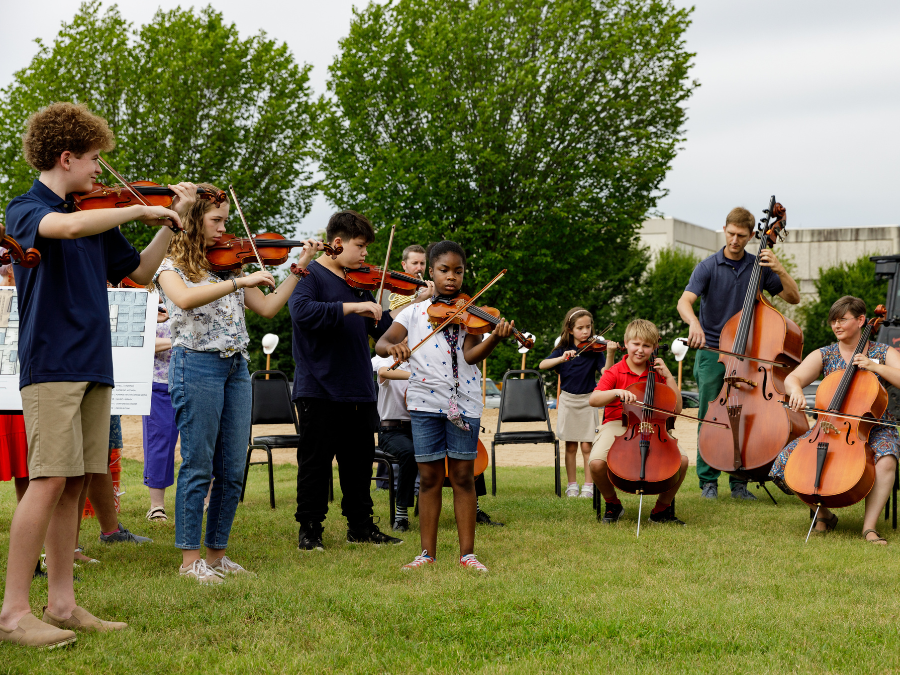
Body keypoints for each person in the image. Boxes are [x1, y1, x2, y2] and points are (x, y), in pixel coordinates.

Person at [0, 102, 181, 648]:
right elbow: (70, 226)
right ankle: (12, 613)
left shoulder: (96, 213)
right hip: (52, 362)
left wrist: (172, 221)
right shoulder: (27, 208)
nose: (100, 170)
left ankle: (62, 603)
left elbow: (140, 271)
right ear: (67, 157)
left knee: (75, 481)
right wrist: (138, 209)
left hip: (93, 361)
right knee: (48, 479)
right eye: (95, 159)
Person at [156, 182, 318, 583]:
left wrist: (299, 266)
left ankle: (216, 556)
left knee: (231, 469)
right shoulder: (170, 267)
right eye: (216, 220)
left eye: (226, 221)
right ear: (193, 220)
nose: (224, 229)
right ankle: (189, 561)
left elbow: (269, 307)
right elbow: (185, 299)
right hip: (195, 365)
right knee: (198, 465)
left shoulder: (229, 267)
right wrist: (239, 283)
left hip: (235, 368)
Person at [376, 240, 513, 572]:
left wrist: (495, 337)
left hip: (464, 403)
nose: (451, 277)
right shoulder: (413, 312)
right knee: (429, 476)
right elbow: (382, 343)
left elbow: (470, 355)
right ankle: (426, 554)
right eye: (444, 270)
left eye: (458, 271)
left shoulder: (471, 313)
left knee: (464, 476)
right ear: (431, 272)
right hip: (424, 402)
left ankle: (468, 555)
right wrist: (393, 349)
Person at [290, 210, 403, 551]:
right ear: (337, 243)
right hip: (318, 387)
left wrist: (414, 305)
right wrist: (352, 308)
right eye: (360, 246)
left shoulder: (361, 285)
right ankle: (310, 529)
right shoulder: (310, 275)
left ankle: (361, 526)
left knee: (359, 464)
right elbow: (301, 312)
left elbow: (384, 331)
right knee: (315, 464)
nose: (365, 254)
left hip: (359, 388)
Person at [676, 206, 800, 501]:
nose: (734, 240)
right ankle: (708, 481)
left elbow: (793, 298)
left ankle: (740, 481)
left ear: (752, 235)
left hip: (751, 355)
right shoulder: (708, 266)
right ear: (724, 229)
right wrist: (694, 322)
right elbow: (684, 301)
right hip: (714, 352)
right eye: (731, 234)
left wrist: (779, 268)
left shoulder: (759, 267)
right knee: (711, 416)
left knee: (746, 415)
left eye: (741, 236)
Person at [772, 296, 900, 544]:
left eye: (842, 320)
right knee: (786, 463)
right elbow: (792, 379)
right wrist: (796, 391)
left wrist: (876, 367)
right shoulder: (826, 354)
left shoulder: (883, 352)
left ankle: (869, 528)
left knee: (886, 459)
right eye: (833, 321)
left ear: (861, 320)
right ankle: (824, 515)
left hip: (876, 427)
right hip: (830, 428)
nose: (836, 325)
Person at [588, 319, 689, 525]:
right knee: (597, 463)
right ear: (626, 343)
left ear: (654, 347)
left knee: (682, 461)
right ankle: (613, 504)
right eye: (636, 344)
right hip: (617, 424)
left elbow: (676, 409)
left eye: (646, 345)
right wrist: (616, 392)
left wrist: (669, 376)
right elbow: (594, 399)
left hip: (654, 425)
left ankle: (661, 510)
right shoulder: (615, 371)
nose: (640, 350)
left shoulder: (658, 373)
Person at [539, 307, 617, 498]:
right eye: (580, 328)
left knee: (587, 446)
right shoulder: (562, 350)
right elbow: (542, 365)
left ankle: (589, 486)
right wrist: (561, 358)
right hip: (568, 401)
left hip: (588, 401)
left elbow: (606, 374)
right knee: (571, 446)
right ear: (570, 329)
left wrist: (610, 354)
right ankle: (572, 485)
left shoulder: (595, 351)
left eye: (588, 327)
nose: (585, 331)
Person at [372, 349, 418, 531]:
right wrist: (418, 376)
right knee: (409, 452)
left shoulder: (421, 362)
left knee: (464, 443)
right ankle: (401, 514)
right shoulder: (384, 359)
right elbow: (384, 373)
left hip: (419, 427)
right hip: (391, 431)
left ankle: (475, 507)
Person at [143, 304, 178, 521]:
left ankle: (207, 501)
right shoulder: (148, 301)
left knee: (204, 440)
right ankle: (157, 506)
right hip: (159, 383)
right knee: (159, 442)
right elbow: (141, 342)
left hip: (196, 379)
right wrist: (182, 340)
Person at [387, 244, 428, 314]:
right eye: (415, 263)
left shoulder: (431, 291)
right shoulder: (388, 289)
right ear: (404, 265)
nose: (419, 268)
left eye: (422, 263)